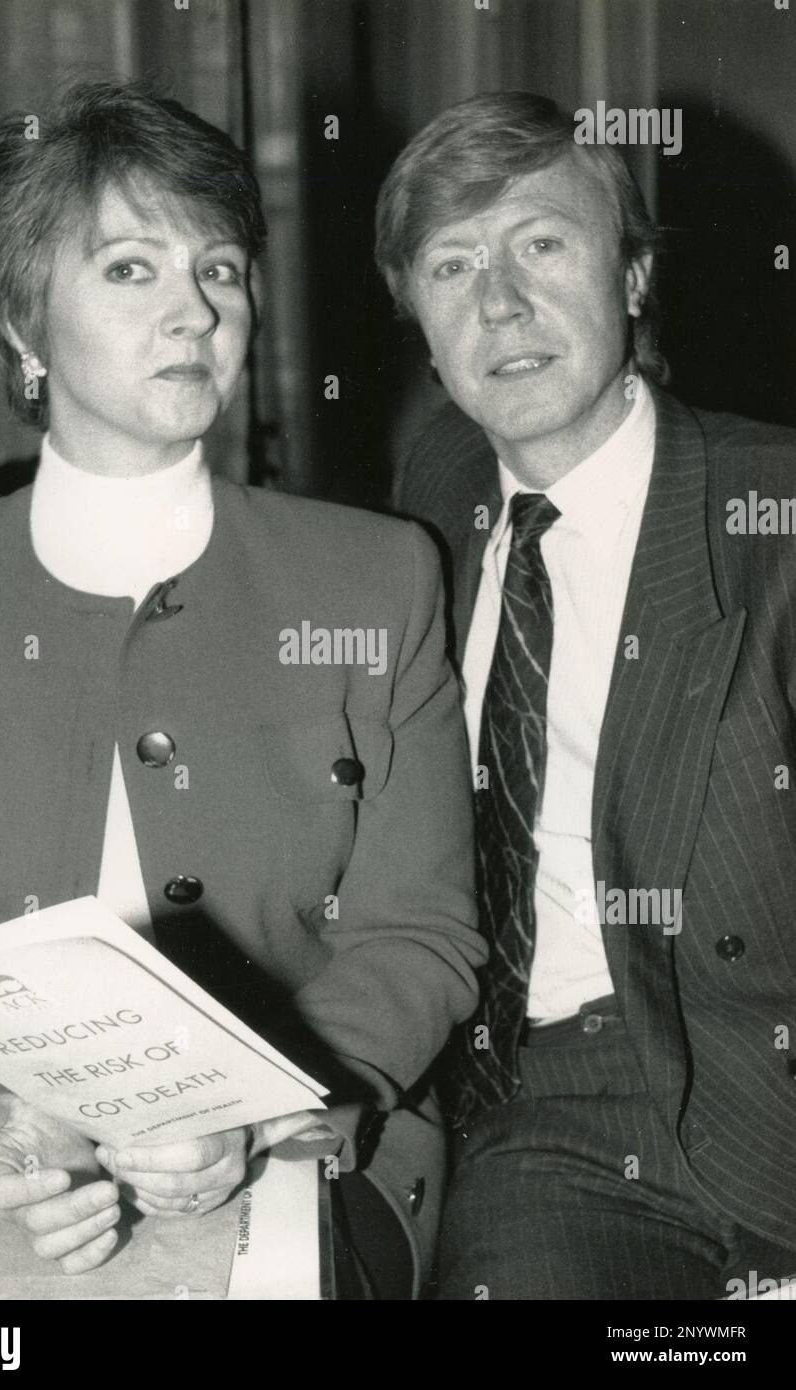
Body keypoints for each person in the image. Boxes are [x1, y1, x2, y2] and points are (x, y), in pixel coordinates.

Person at [0, 80, 486, 1299]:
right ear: (20, 326)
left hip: (312, 1161)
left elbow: (423, 931)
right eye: (132, 270)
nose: (195, 310)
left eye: (220, 270)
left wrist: (255, 1118)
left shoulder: (376, 574)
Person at [379, 90, 796, 1300]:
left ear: (633, 277)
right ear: (418, 314)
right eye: (453, 264)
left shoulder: (770, 516)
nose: (498, 302)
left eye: (543, 244)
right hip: (547, 1114)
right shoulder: (432, 493)